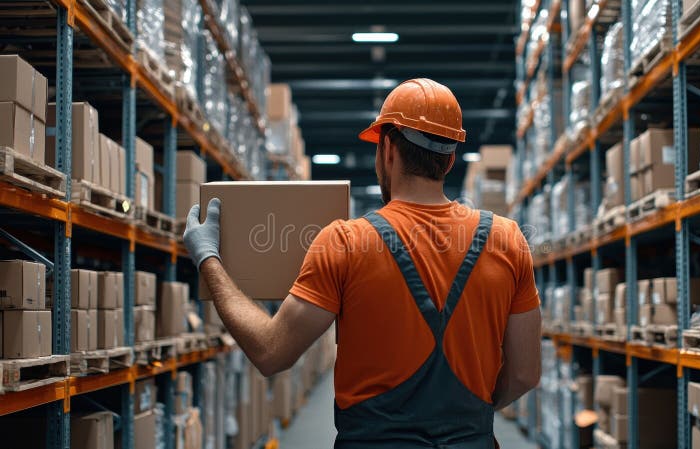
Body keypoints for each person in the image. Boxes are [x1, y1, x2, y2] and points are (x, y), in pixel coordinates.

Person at [184, 78, 542, 448]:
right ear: (450, 159)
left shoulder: (346, 242)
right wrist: (469, 418)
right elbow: (525, 374)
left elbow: (270, 351)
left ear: (387, 149)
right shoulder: (507, 239)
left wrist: (208, 257)